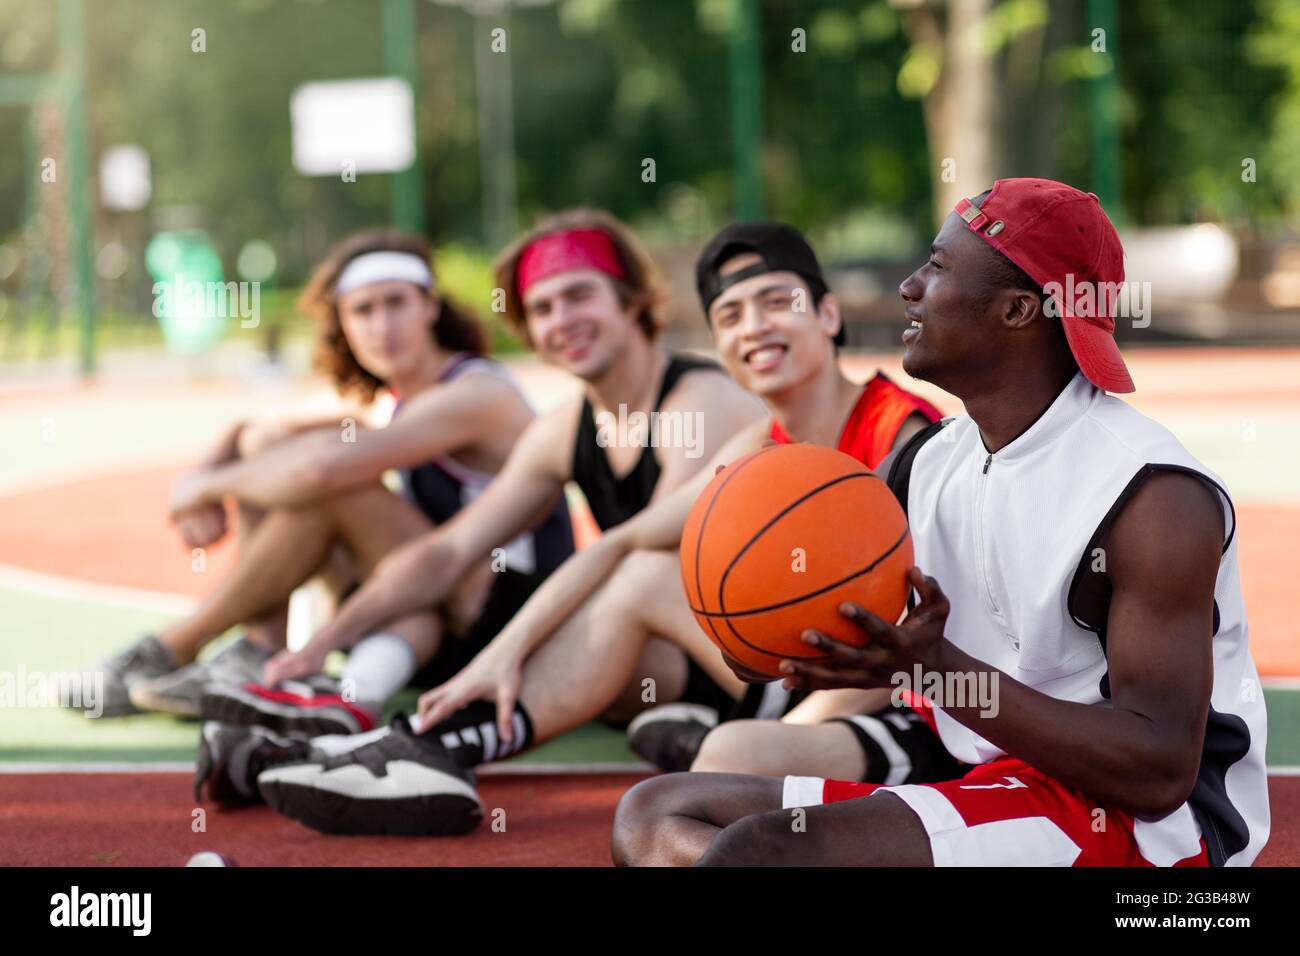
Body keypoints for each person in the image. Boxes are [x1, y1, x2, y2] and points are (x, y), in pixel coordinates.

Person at [611, 178, 1270, 868]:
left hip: (1142, 826)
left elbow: (1158, 771)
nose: (909, 286)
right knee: (654, 814)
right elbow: (858, 629)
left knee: (760, 852)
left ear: (1019, 310)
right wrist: (775, 634)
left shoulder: (1152, 496)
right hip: (980, 770)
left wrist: (935, 670)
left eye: (939, 267)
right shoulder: (933, 460)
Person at [235, 221, 944, 836]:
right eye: (729, 315)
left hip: (912, 703)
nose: (752, 327)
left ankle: (709, 745)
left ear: (826, 313)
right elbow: (620, 542)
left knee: (725, 763)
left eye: (774, 303)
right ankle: (434, 747)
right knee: (645, 575)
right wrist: (501, 655)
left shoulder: (904, 440)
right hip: (789, 666)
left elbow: (929, 641)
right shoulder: (765, 441)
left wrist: (778, 738)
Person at [194, 208, 765, 807]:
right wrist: (319, 645)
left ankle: (395, 750)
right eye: (542, 309)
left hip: (725, 655)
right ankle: (339, 746)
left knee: (632, 578)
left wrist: (506, 650)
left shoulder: (700, 402)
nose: (562, 320)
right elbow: (449, 551)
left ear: (631, 300)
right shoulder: (565, 426)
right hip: (636, 663)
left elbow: (654, 558)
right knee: (566, 595)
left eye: (579, 296)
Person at [79, 229, 574, 728]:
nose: (382, 326)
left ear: (430, 307)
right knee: (273, 455)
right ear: (342, 322)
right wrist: (224, 448)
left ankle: (172, 647)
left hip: (512, 610)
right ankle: (268, 652)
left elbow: (321, 472)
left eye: (396, 303)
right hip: (433, 611)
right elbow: (262, 432)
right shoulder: (394, 400)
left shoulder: (476, 394)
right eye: (363, 311)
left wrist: (201, 488)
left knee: (332, 492)